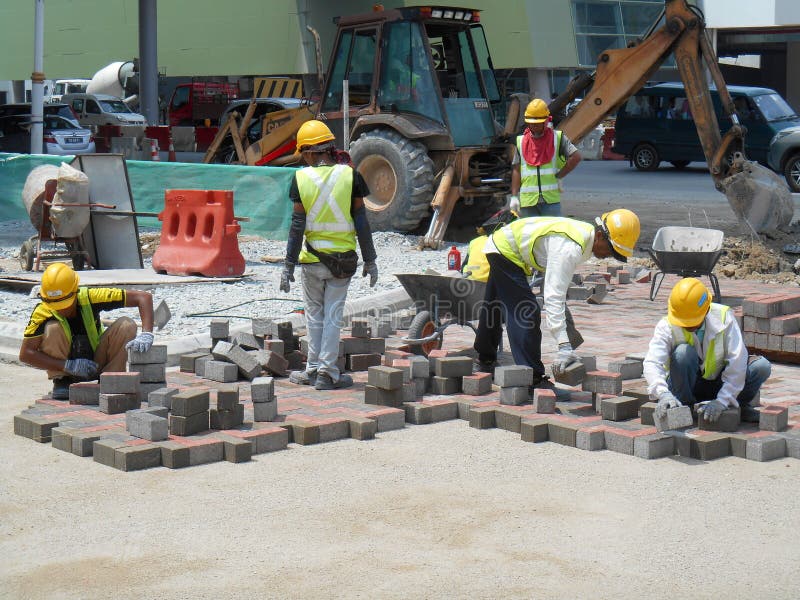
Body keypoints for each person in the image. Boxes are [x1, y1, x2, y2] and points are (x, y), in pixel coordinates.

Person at [473, 209, 640, 386]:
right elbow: (553, 296)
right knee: (526, 311)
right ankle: (532, 379)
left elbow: (554, 281)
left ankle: (485, 359)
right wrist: (563, 346)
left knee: (495, 304)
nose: (610, 256)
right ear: (599, 235)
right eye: (611, 250)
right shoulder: (570, 248)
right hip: (505, 250)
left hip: (502, 244)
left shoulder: (584, 237)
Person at [281, 119, 378, 390]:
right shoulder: (350, 175)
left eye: (304, 154)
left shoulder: (301, 178)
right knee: (333, 315)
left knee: (314, 315)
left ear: (311, 152)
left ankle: (314, 369)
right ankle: (326, 373)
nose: (305, 160)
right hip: (343, 262)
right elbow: (361, 221)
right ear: (329, 148)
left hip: (312, 261)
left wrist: (288, 265)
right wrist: (371, 260)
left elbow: (296, 226)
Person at [19, 262, 155, 400]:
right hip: (66, 369)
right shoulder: (42, 312)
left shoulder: (90, 297)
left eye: (64, 304)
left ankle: (110, 379)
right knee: (52, 328)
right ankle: (62, 381)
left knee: (127, 324)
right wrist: (67, 366)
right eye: (55, 305)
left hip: (97, 361)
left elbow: (143, 297)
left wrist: (147, 333)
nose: (60, 309)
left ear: (75, 291)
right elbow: (26, 353)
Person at [643, 277, 771, 423]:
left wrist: (722, 401)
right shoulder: (666, 326)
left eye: (692, 321)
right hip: (685, 386)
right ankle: (684, 408)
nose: (687, 326)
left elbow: (738, 361)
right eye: (684, 321)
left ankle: (737, 407)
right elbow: (652, 362)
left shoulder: (724, 318)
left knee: (761, 367)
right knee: (683, 353)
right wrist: (663, 393)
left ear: (706, 310)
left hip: (717, 383)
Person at [508, 98, 582, 218]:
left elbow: (576, 157)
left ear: (546, 121)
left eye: (538, 123)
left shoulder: (557, 138)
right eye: (532, 123)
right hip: (528, 202)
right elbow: (516, 169)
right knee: (530, 235)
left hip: (550, 201)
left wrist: (560, 175)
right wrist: (514, 196)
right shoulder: (521, 141)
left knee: (552, 235)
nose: (534, 126)